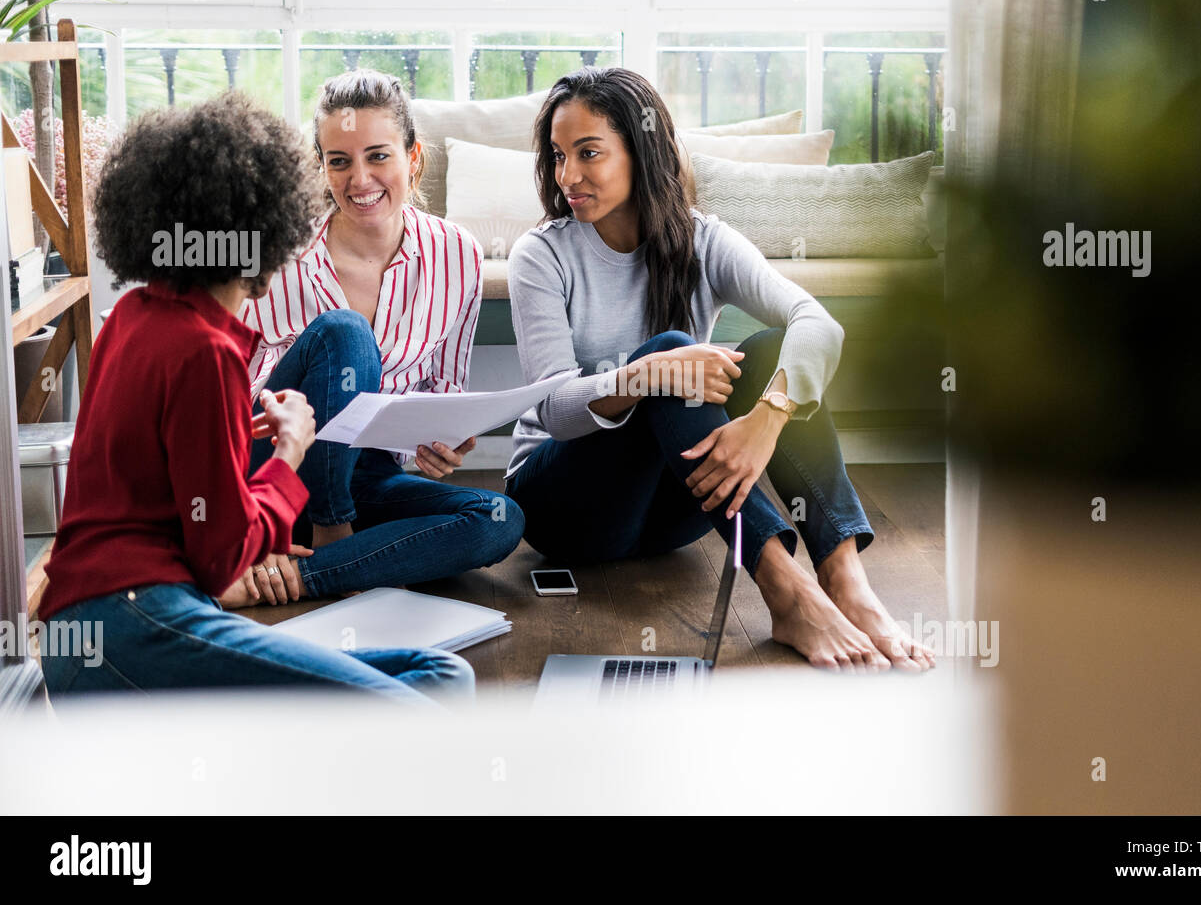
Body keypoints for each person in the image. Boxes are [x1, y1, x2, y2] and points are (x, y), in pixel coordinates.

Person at [37, 93, 473, 705]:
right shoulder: (205, 351)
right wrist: (292, 448)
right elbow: (222, 561)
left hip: (88, 627)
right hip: (135, 620)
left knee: (444, 675)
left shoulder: (130, 318)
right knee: (411, 703)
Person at [504, 67, 936, 672]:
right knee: (671, 354)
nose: (567, 176)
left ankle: (844, 578)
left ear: (643, 150)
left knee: (769, 349)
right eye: (557, 155)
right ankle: (787, 591)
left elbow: (818, 325)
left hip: (677, 513)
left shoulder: (702, 239)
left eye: (589, 152)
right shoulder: (541, 255)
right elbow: (553, 409)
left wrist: (767, 418)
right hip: (568, 507)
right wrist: (647, 373)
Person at [224, 69, 523, 608]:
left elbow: (444, 385)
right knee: (346, 332)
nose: (360, 179)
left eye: (378, 156)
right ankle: (333, 531)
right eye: (339, 161)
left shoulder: (457, 254)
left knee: (500, 519)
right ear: (323, 168)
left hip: (371, 474)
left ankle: (297, 577)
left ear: (413, 157)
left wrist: (441, 441)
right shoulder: (281, 251)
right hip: (274, 466)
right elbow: (231, 392)